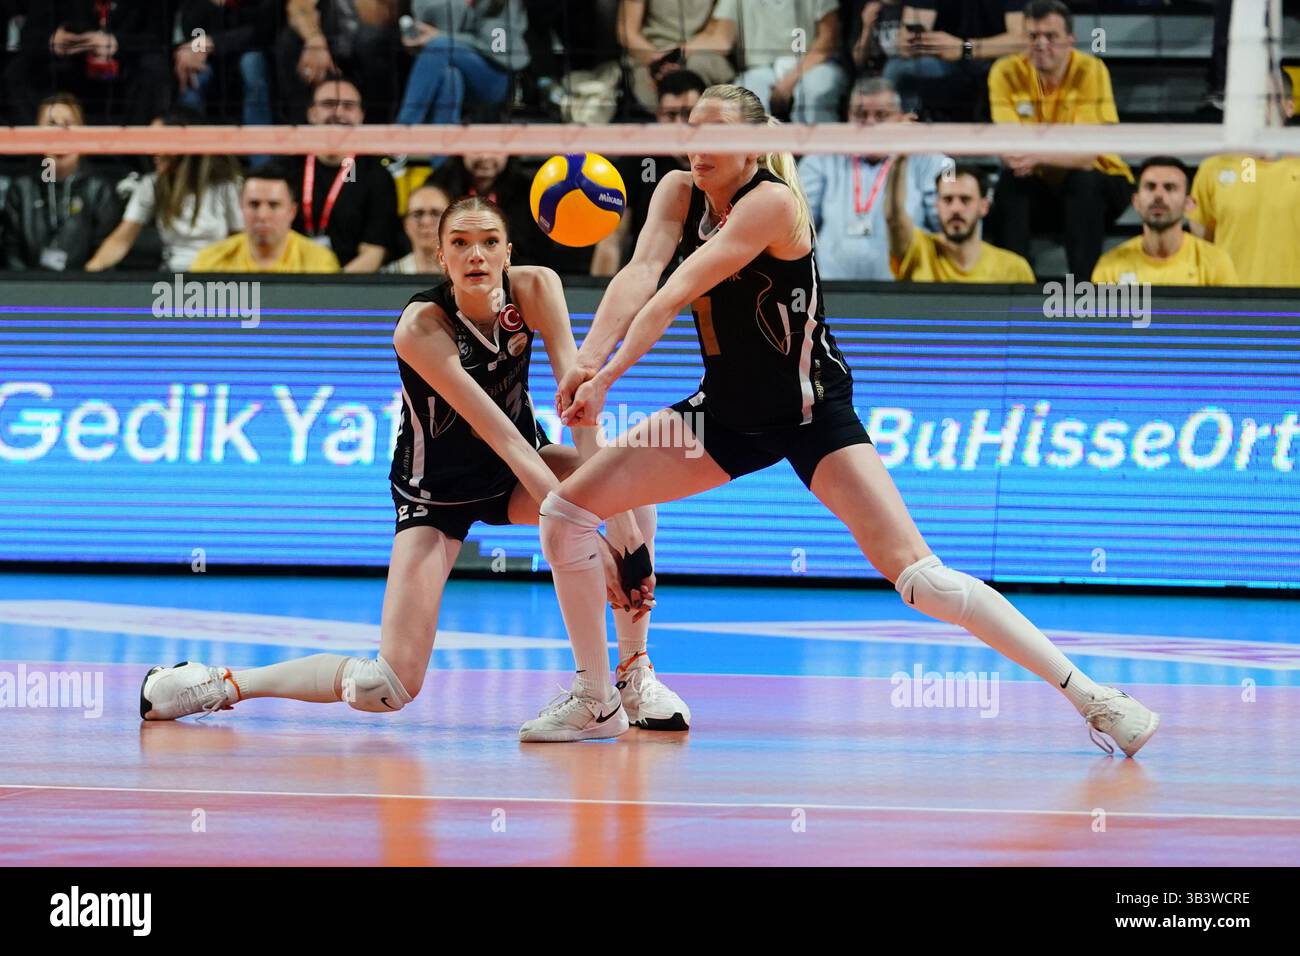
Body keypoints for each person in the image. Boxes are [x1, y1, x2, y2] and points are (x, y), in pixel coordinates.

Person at [524, 83, 1159, 759]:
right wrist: (587, 360)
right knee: (566, 513)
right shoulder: (678, 192)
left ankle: (1095, 698)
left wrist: (605, 378)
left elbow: (677, 290)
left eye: (717, 134)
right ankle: (604, 694)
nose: (697, 144)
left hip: (809, 412)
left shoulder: (772, 202)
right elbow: (640, 272)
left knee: (921, 578)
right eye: (691, 127)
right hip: (727, 413)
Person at [141, 196, 687, 736]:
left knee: (633, 486)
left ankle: (628, 675)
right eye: (460, 244)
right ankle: (218, 683)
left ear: (508, 251)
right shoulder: (420, 327)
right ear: (440, 259)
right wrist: (592, 539)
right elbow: (502, 437)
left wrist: (628, 548)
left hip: (517, 477)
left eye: (489, 243)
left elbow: (581, 416)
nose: (476, 255)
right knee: (386, 686)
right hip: (436, 494)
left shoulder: (538, 287)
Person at [985, 0, 1133, 278]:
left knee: (1083, 180)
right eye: (1032, 37)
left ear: (1070, 41)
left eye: (1051, 37)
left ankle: (1084, 286)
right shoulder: (1004, 72)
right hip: (1040, 184)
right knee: (1009, 184)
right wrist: (1023, 157)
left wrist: (1036, 155)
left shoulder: (1092, 70)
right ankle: (1013, 284)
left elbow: (1087, 154)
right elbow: (1007, 143)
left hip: (1102, 183)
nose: (1041, 44)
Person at [798, 76, 950, 280]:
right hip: (832, 294)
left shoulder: (935, 162)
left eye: (881, 116)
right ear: (848, 117)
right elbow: (796, 229)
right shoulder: (818, 159)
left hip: (910, 294)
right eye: (860, 115)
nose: (870, 123)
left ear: (903, 118)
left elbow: (948, 229)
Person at [86, 110, 245, 273]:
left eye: (158, 141)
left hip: (218, 278)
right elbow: (121, 240)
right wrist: (88, 275)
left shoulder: (227, 185)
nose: (150, 151)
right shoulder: (151, 185)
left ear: (183, 142)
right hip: (171, 278)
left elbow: (241, 242)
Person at [1187, 72, 1300, 287]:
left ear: (1289, 107)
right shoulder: (1214, 169)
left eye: (1266, 98)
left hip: (1293, 307)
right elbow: (1203, 245)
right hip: (1232, 307)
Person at [594, 68, 706, 274]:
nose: (680, 125)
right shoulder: (639, 158)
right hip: (650, 277)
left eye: (688, 114)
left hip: (706, 278)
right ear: (658, 115)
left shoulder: (723, 157)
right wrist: (598, 299)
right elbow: (611, 239)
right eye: (671, 115)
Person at [285, 77, 401, 272]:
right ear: (312, 113)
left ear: (361, 116)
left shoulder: (377, 176)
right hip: (288, 278)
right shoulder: (287, 167)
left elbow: (374, 252)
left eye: (348, 106)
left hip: (348, 287)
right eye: (328, 104)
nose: (338, 113)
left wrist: (333, 289)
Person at [2, 94, 121, 272]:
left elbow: (104, 256)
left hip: (84, 289)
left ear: (83, 131)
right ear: (35, 133)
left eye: (68, 125)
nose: (59, 134)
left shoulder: (99, 189)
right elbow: (11, 253)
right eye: (51, 125)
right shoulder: (22, 189)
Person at [1092, 156, 1238, 287]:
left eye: (1169, 188)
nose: (1159, 195)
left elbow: (1230, 316)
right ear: (1136, 202)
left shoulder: (1216, 263)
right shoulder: (1110, 267)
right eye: (1150, 187)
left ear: (1189, 204)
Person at [886, 158, 1034, 283]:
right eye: (947, 199)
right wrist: (900, 161)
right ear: (937, 205)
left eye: (965, 199)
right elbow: (894, 219)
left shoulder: (1013, 269)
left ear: (984, 206)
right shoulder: (919, 251)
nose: (956, 208)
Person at [397, 0, 530, 126]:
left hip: (493, 78)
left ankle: (404, 129)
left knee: (439, 46)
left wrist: (441, 36)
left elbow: (498, 48)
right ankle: (442, 147)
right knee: (449, 74)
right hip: (455, 77)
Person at [884, 0, 1025, 119]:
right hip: (945, 60)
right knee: (897, 68)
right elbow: (906, 39)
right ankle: (898, 134)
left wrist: (965, 48)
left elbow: (1022, 42)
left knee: (1010, 66)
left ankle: (1013, 137)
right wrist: (910, 43)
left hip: (994, 57)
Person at [190, 162, 341, 272]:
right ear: (241, 208)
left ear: (292, 212)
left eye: (274, 205)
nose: (262, 215)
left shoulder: (319, 262)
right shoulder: (211, 261)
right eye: (254, 204)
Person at [711, 0, 847, 123]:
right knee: (746, 97)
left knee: (816, 89)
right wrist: (688, 46)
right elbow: (722, 39)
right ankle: (761, 151)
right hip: (760, 69)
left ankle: (820, 150)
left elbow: (828, 39)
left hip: (812, 65)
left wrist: (789, 81)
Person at [618, 0, 735, 114]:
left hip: (701, 51)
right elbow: (627, 32)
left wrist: (675, 56)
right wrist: (657, 61)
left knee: (697, 67)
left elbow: (722, 39)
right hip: (650, 53)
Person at [383, 184, 450, 274]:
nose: (426, 222)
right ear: (406, 224)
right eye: (418, 214)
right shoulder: (388, 277)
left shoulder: (468, 273)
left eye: (436, 214)